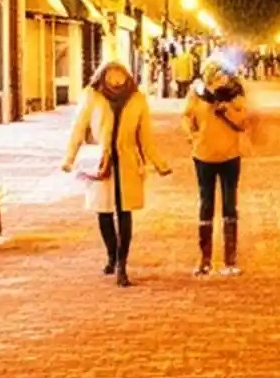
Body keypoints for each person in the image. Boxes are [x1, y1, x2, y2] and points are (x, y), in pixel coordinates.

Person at [61, 62, 171, 287]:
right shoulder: (92, 95)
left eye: (120, 75)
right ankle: (111, 254)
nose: (116, 80)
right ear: (103, 75)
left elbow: (146, 136)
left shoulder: (137, 99)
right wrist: (69, 158)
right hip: (101, 162)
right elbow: (78, 128)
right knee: (103, 212)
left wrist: (159, 164)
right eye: (111, 75)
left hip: (128, 162)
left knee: (125, 212)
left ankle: (122, 263)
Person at [183, 59, 248, 277]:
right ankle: (205, 259)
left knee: (230, 205)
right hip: (203, 155)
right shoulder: (197, 92)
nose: (222, 78)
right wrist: (192, 136)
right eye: (218, 74)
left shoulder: (235, 93)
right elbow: (186, 116)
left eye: (225, 74)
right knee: (206, 204)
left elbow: (243, 123)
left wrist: (226, 110)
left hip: (230, 155)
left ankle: (230, 260)